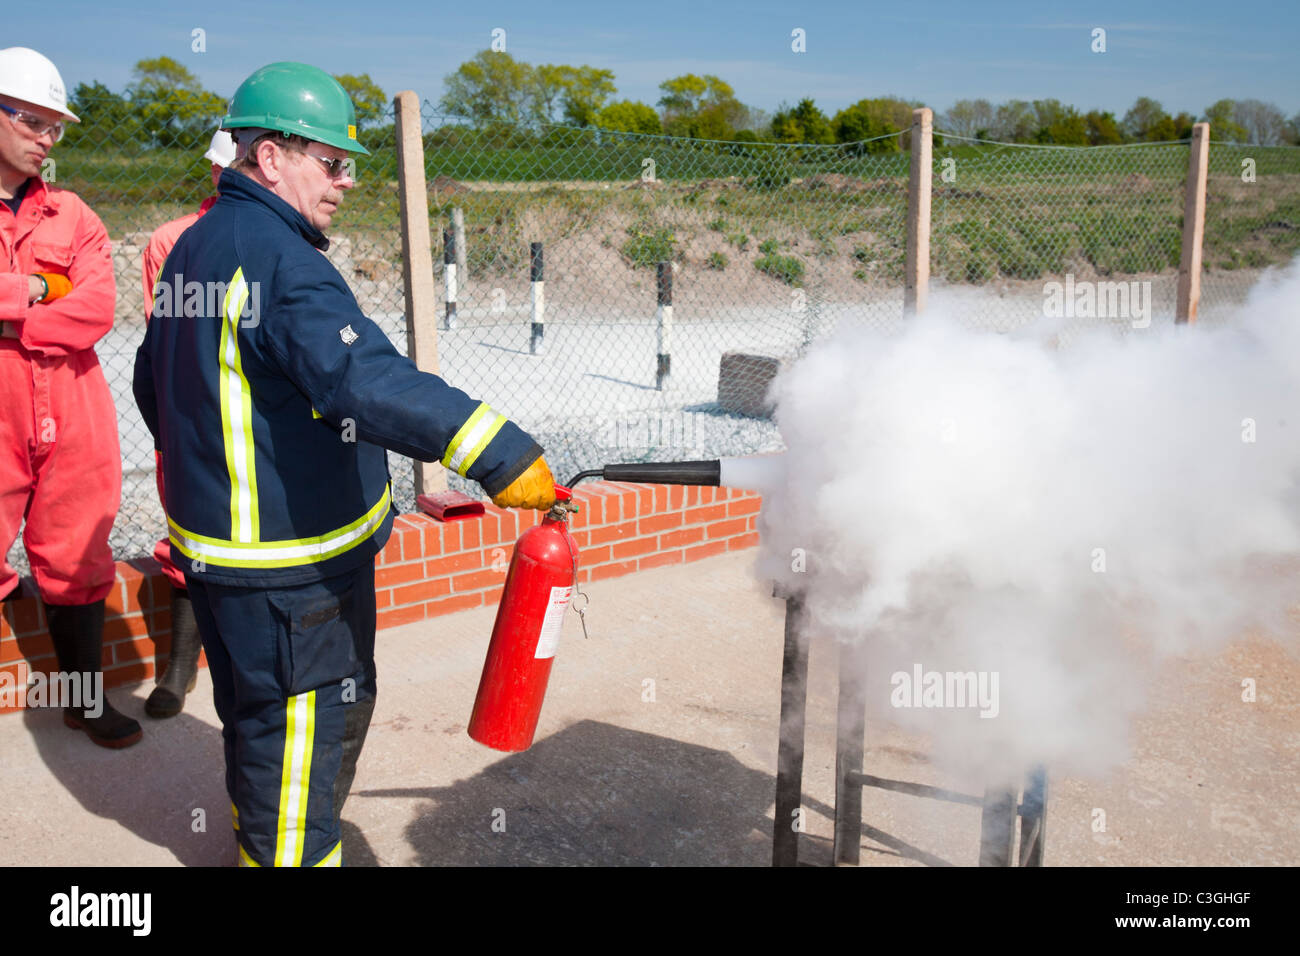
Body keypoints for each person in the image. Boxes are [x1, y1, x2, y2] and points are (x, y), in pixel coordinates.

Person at [133, 62, 555, 867]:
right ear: (270, 158)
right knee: (300, 739)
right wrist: (498, 452)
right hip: (289, 573)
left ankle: (260, 832)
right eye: (331, 162)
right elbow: (362, 379)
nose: (346, 181)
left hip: (226, 560)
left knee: (263, 722)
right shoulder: (280, 261)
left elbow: (154, 386)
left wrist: (216, 473)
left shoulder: (196, 245)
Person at [0, 47, 140, 748]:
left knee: (78, 553)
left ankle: (83, 701)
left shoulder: (72, 213)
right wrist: (37, 288)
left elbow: (98, 309)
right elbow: (68, 302)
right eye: (32, 120)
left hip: (73, 405)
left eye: (56, 127)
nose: (46, 138)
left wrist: (15, 308)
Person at [138, 128, 235, 719]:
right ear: (215, 172)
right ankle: (179, 668)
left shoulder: (291, 237)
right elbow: (165, 340)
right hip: (192, 413)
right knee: (188, 533)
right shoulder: (172, 242)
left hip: (260, 414)